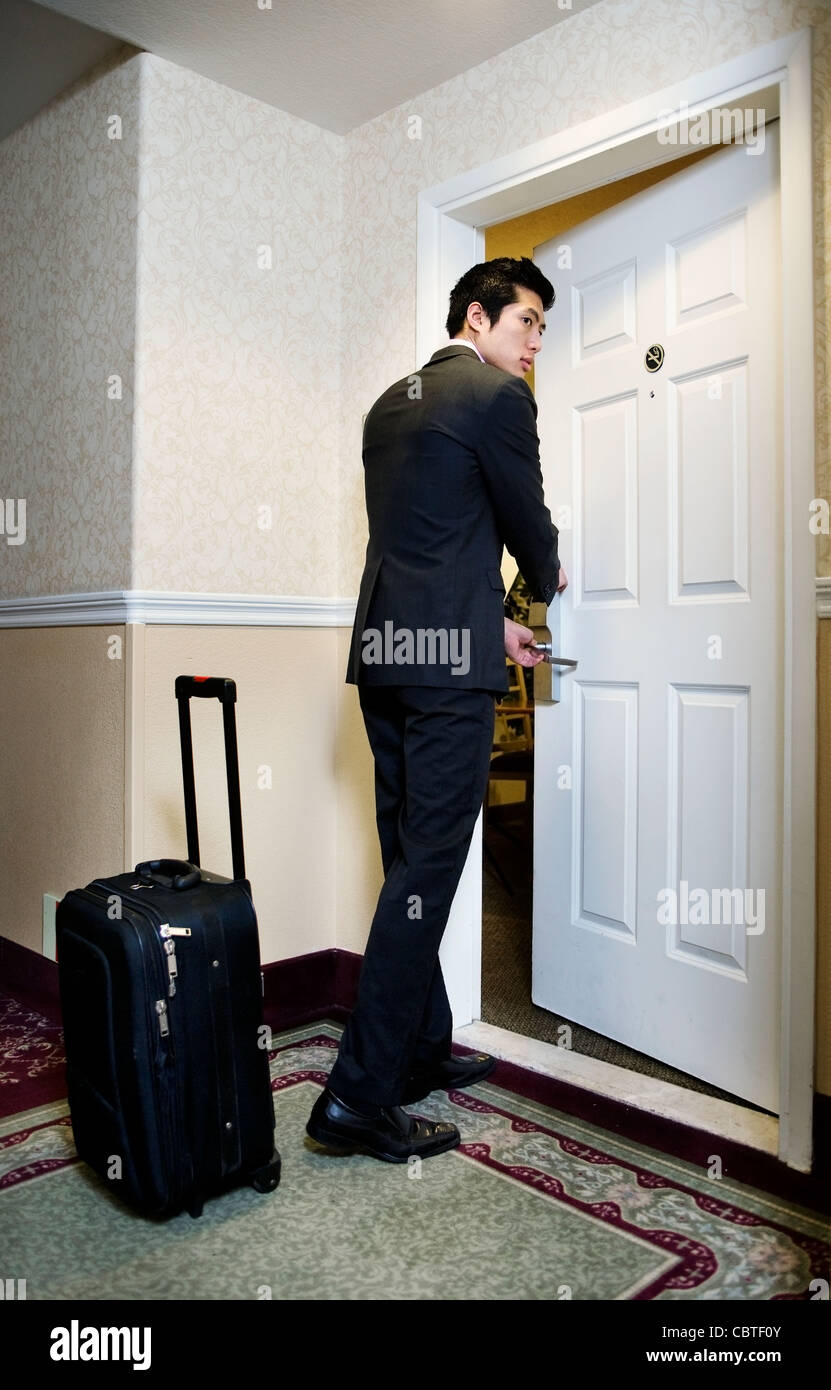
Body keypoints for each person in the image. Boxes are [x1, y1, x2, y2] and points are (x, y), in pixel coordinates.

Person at [306, 257, 567, 1163]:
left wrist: (489, 622)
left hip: (387, 654)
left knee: (405, 863)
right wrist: (543, 580)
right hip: (446, 672)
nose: (536, 342)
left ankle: (418, 1047)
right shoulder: (496, 400)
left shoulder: (389, 400)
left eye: (542, 326)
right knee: (427, 875)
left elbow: (432, 538)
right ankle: (355, 1099)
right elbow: (522, 522)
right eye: (526, 321)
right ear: (477, 317)